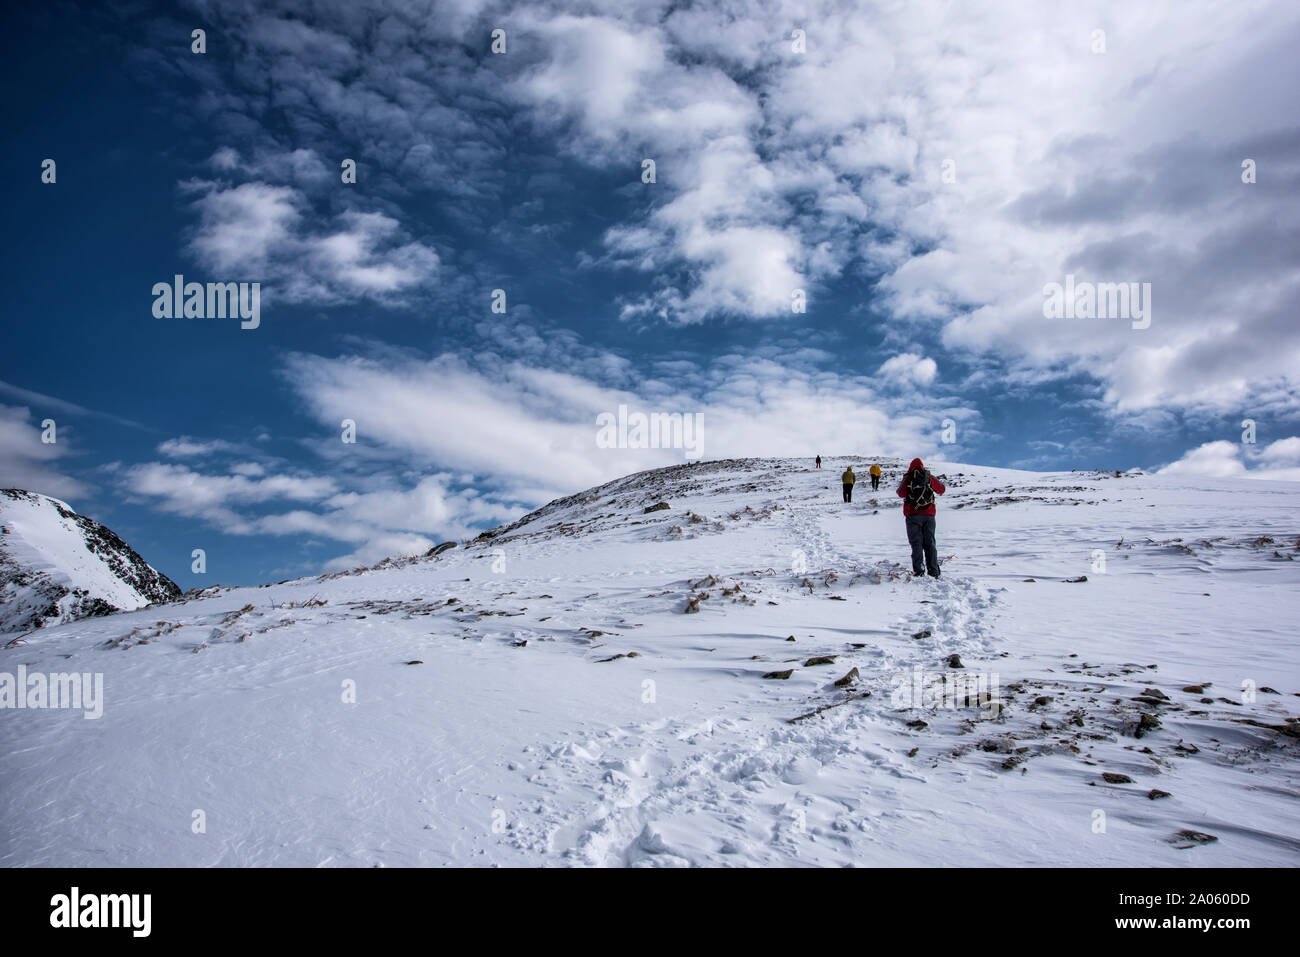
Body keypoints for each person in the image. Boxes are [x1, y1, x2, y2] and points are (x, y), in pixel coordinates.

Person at [897, 457, 946, 578]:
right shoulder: (928, 476)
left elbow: (900, 493)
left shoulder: (908, 477)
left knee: (916, 543)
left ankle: (919, 570)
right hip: (929, 515)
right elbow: (941, 489)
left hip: (913, 515)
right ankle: (934, 571)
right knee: (930, 543)